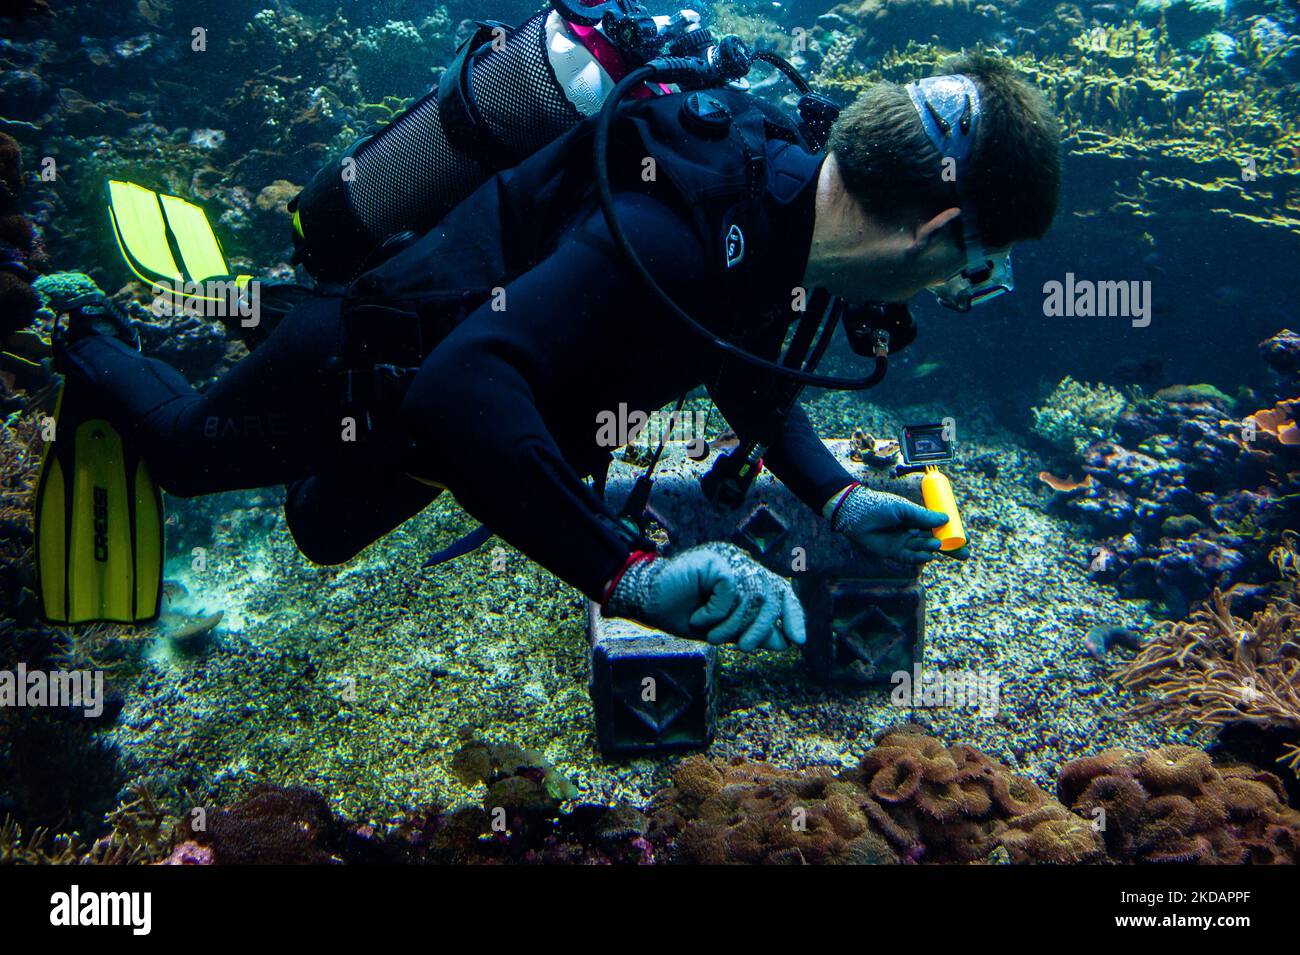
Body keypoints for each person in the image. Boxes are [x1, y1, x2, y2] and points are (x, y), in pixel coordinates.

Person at [42, 53, 1060, 650]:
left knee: (317, 528)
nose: (959, 289)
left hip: (465, 404)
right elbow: (459, 388)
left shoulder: (786, 205)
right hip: (395, 356)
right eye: (977, 264)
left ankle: (257, 310)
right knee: (179, 453)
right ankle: (84, 330)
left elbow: (739, 359)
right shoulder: (682, 235)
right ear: (932, 235)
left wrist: (832, 492)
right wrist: (629, 574)